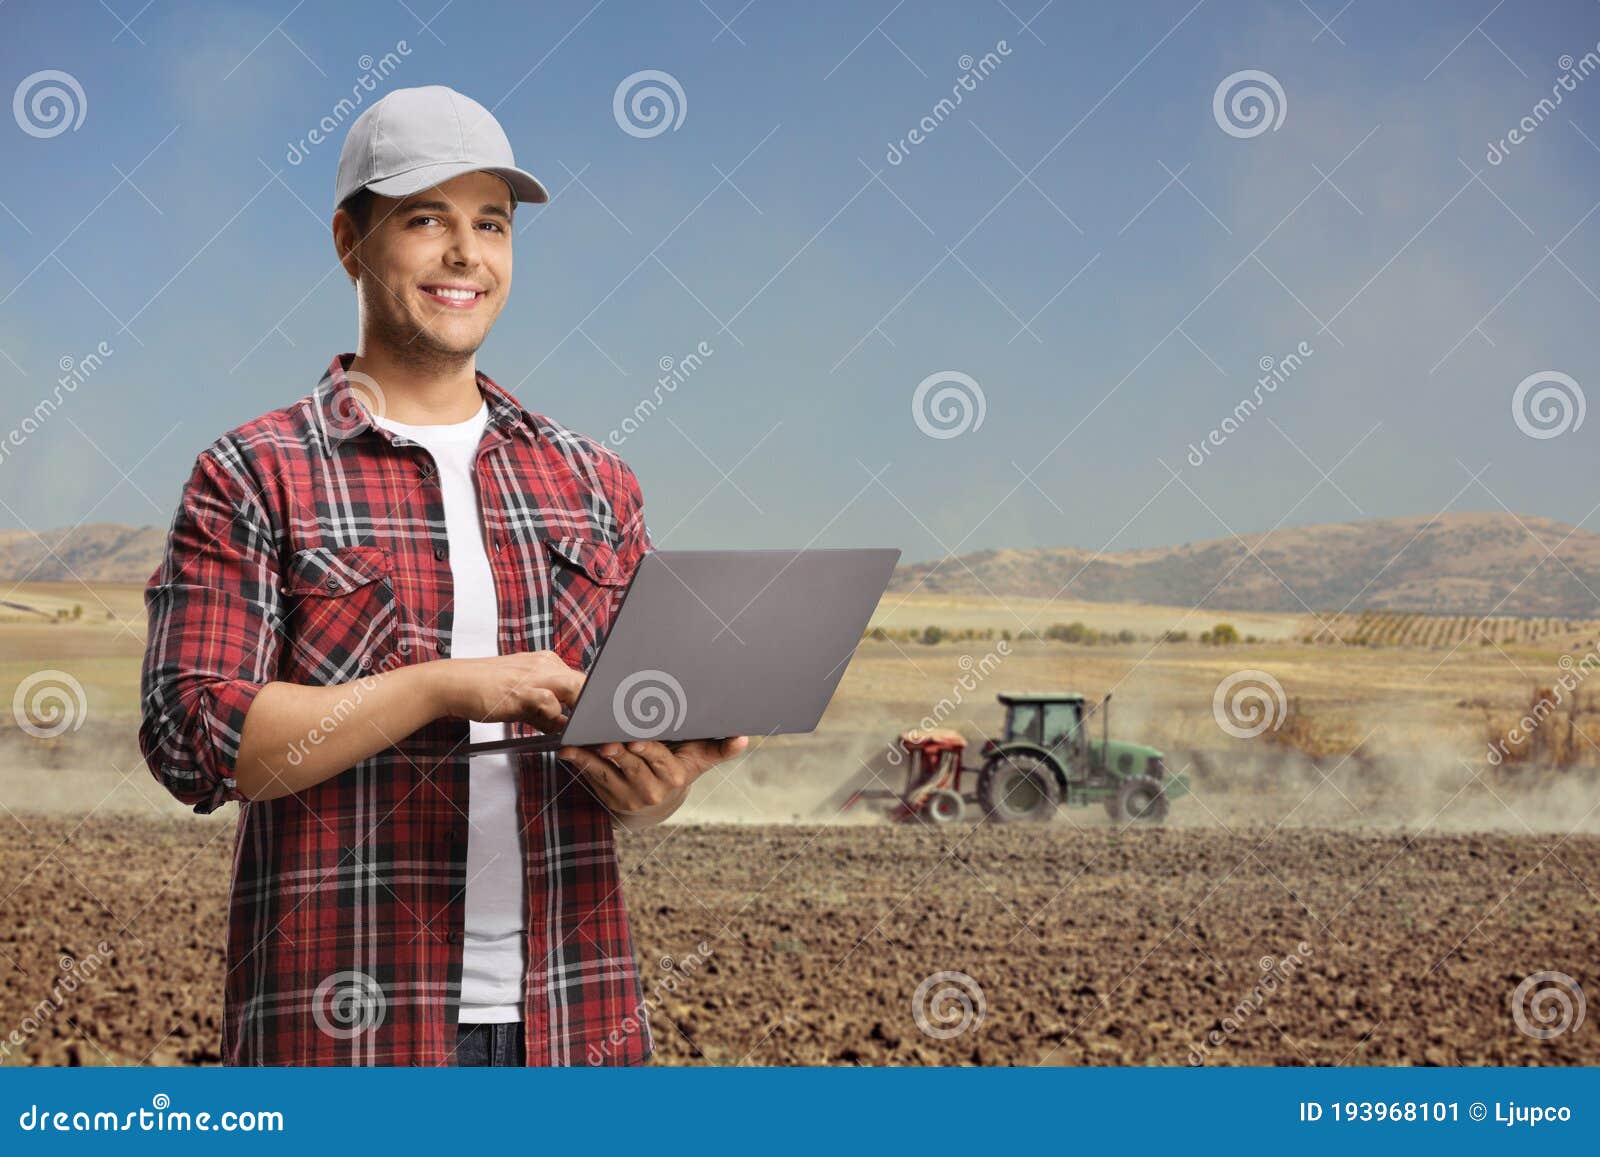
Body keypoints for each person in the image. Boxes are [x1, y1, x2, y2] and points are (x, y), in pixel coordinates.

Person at [137, 85, 746, 1067]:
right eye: (427, 219)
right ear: (351, 242)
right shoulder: (254, 471)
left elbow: (624, 781)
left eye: (491, 224)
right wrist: (448, 686)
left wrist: (656, 783)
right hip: (343, 1031)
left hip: (572, 1020)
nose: (467, 254)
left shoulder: (594, 482)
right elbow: (199, 740)